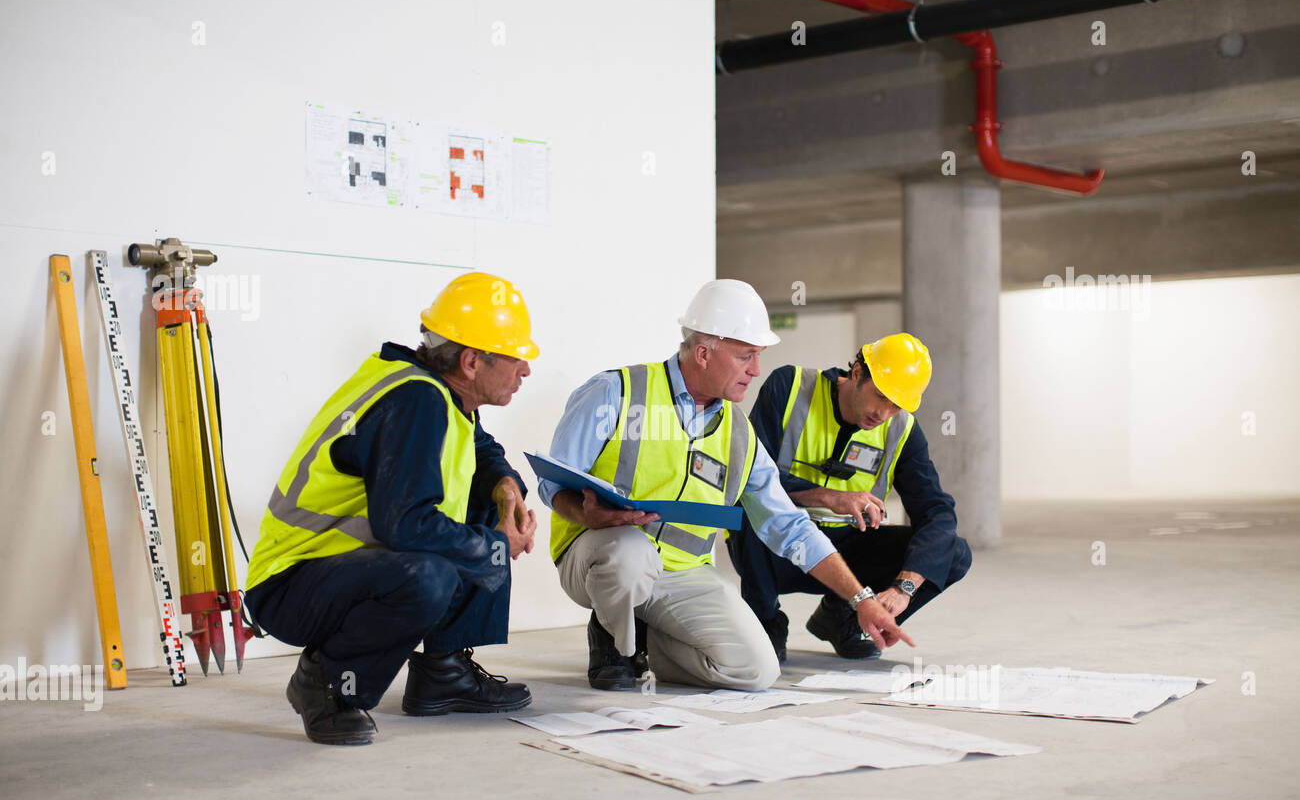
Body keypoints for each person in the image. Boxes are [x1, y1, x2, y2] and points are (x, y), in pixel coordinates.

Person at [539, 279, 912, 692]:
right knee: (629, 553)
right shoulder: (617, 392)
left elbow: (790, 526)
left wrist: (862, 600)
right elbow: (552, 480)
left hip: (682, 574)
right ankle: (613, 641)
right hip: (600, 558)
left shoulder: (738, 433)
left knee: (756, 671)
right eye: (746, 356)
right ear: (703, 353)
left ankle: (650, 638)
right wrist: (583, 512)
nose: (756, 370)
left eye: (758, 356)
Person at [244, 272, 539, 745]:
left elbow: (479, 450)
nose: (525, 370)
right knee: (434, 574)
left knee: (483, 511)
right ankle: (326, 686)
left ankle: (443, 672)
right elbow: (404, 524)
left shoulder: (442, 394)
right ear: (470, 361)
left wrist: (506, 488)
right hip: (291, 585)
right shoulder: (414, 402)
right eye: (515, 356)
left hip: (338, 573)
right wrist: (496, 543)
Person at [726, 334, 971, 662]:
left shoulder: (901, 431)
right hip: (777, 548)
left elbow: (937, 512)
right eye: (881, 396)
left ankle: (841, 617)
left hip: (847, 555)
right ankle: (766, 619)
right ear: (857, 372)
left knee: (953, 553)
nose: (884, 413)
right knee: (749, 508)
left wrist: (905, 587)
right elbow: (748, 476)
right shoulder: (790, 387)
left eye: (896, 404)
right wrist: (829, 497)